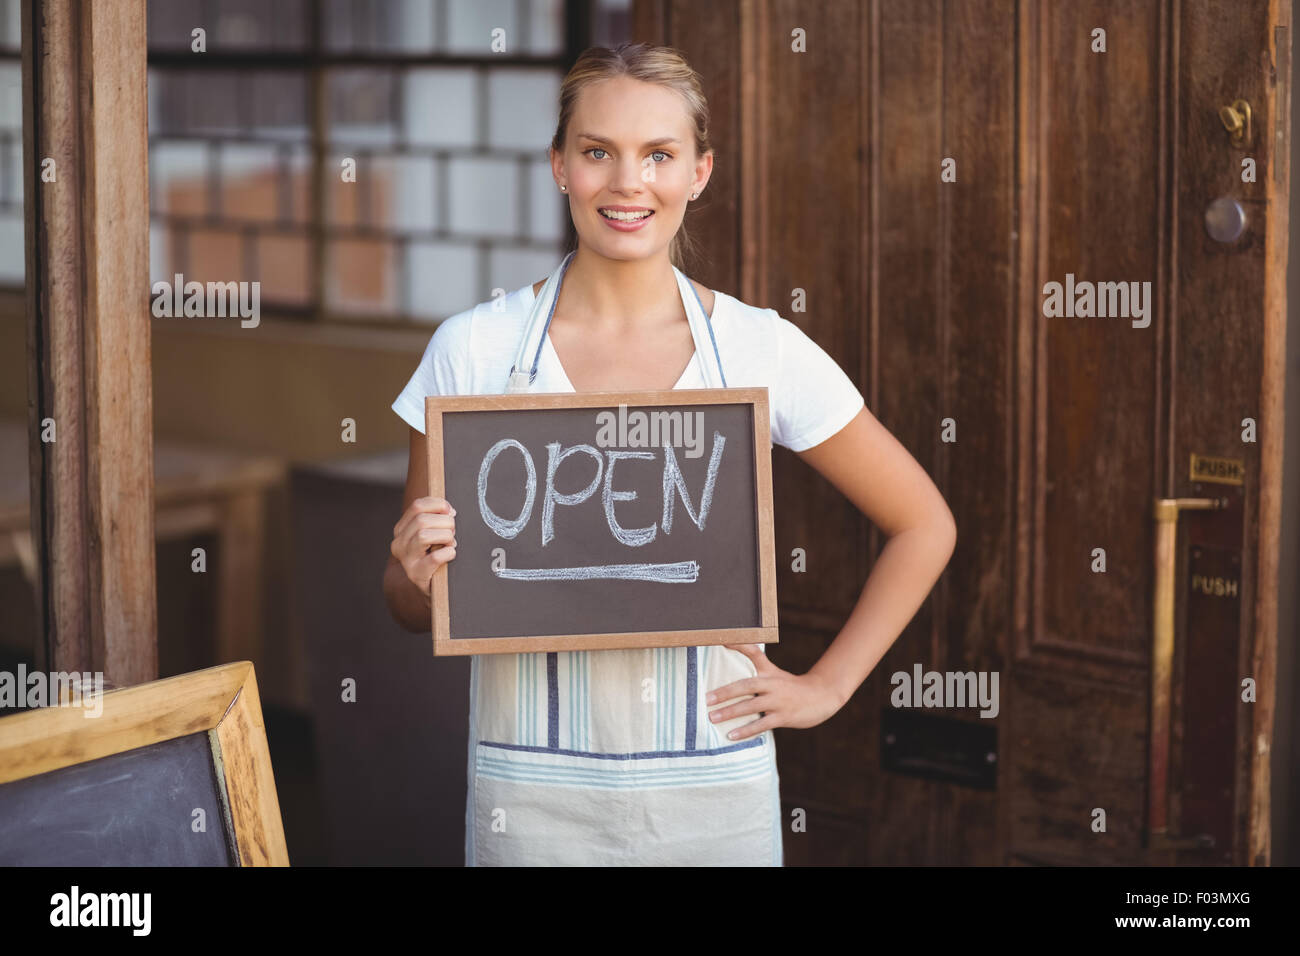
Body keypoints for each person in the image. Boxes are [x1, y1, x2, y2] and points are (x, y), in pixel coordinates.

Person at [383, 42, 956, 866]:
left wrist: (828, 687)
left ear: (700, 172)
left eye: (659, 154)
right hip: (530, 801)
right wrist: (412, 567)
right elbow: (407, 602)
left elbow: (922, 523)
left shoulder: (761, 349)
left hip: (713, 797)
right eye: (597, 152)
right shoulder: (472, 350)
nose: (628, 183)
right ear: (559, 167)